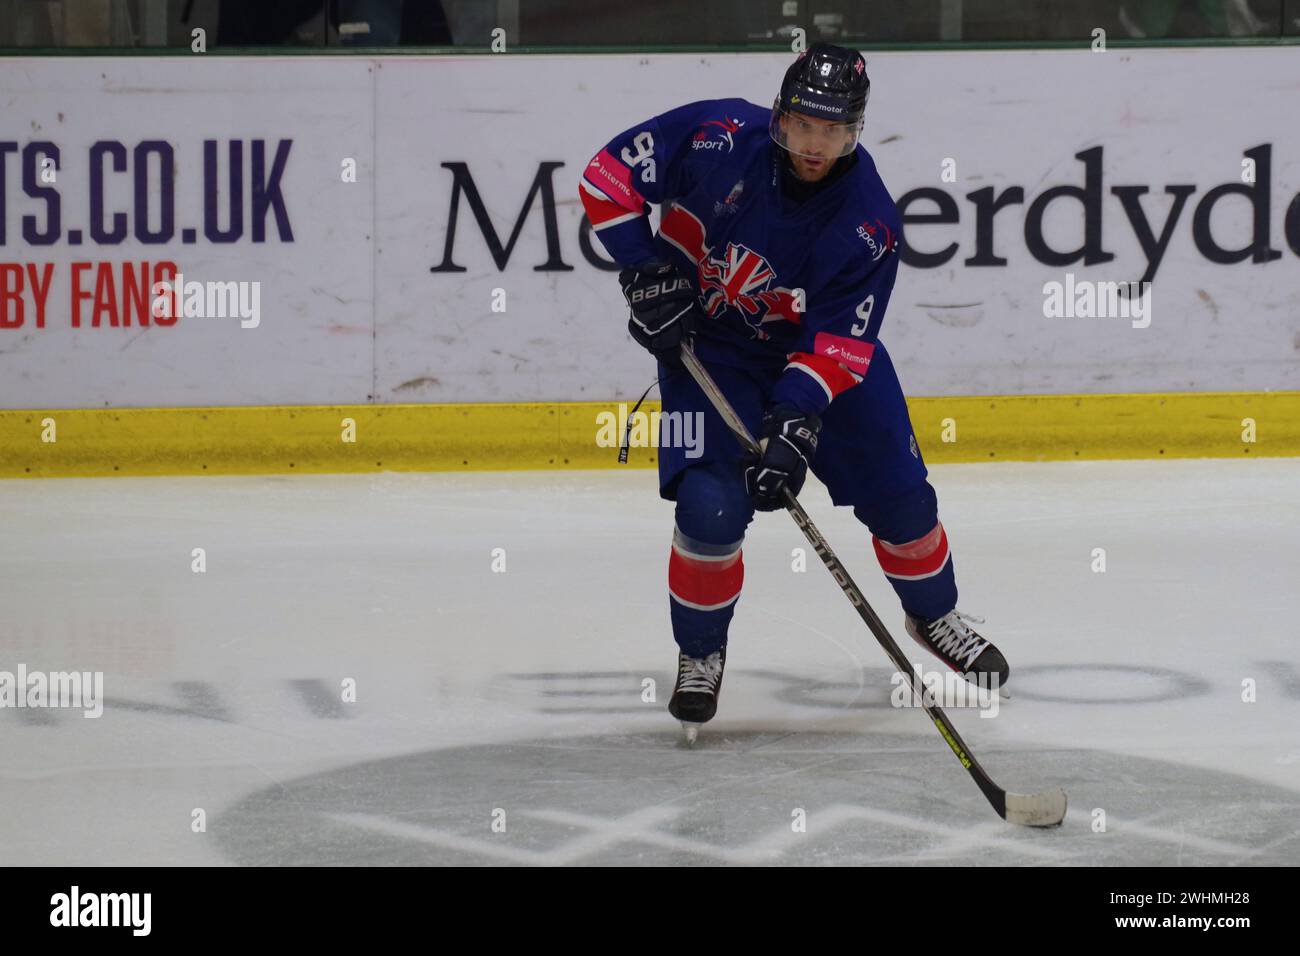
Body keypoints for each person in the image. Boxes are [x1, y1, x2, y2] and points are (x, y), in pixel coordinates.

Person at [580, 43, 1008, 738]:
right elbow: (606, 177)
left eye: (834, 131)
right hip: (710, 353)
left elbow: (839, 347)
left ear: (855, 133)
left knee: (900, 497)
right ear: (779, 117)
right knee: (709, 507)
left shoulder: (867, 223)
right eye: (805, 125)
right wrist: (644, 271)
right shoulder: (715, 135)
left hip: (816, 361)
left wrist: (794, 425)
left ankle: (934, 614)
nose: (816, 145)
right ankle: (701, 655)